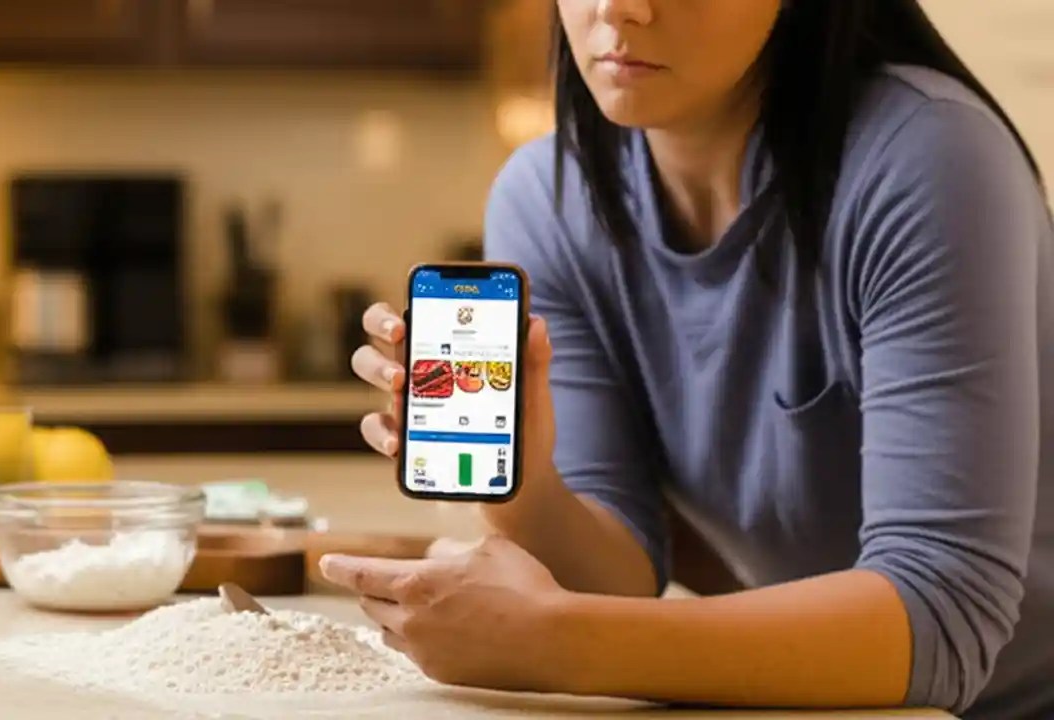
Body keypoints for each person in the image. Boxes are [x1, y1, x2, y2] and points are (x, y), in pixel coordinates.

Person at [327, 1, 1054, 718]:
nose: (619, 8)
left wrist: (548, 639)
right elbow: (616, 583)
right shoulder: (548, 198)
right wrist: (525, 488)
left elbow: (943, 618)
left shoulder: (929, 156)